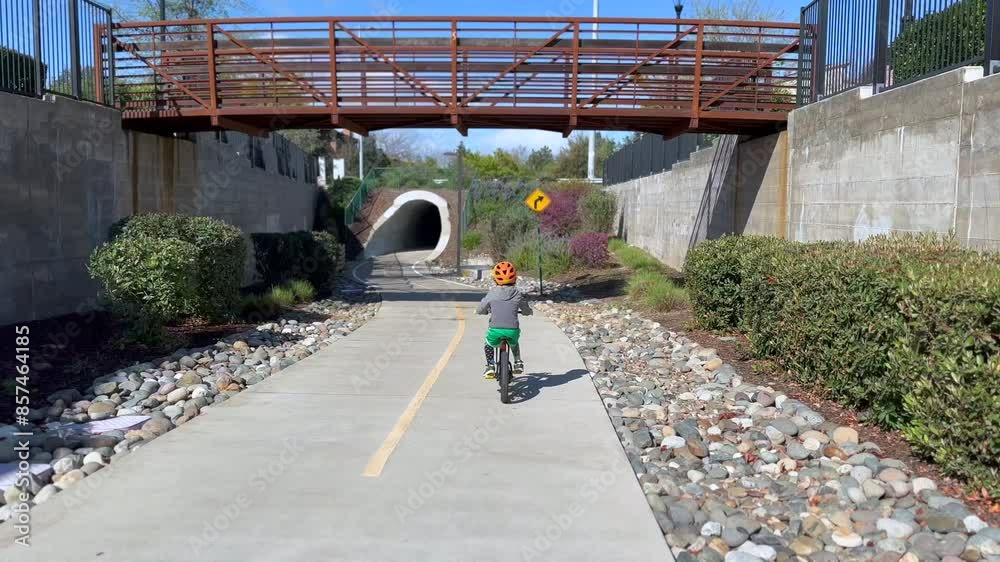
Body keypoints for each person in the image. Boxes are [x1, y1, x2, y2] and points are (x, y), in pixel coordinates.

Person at [475, 261, 532, 379]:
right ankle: (518, 362)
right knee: (514, 342)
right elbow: (525, 309)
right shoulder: (517, 294)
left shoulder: (492, 293)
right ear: (515, 278)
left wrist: (481, 311)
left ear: (495, 279)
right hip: (512, 330)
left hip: (495, 330)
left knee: (488, 343)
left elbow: (481, 308)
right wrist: (527, 312)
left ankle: (490, 365)